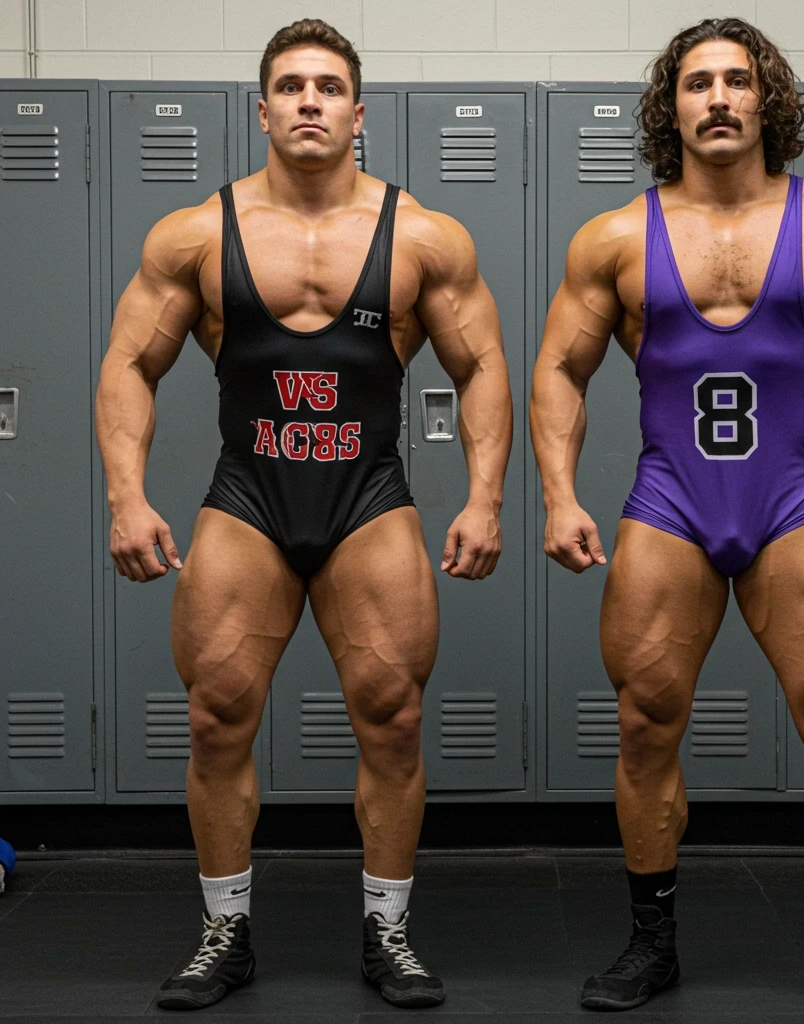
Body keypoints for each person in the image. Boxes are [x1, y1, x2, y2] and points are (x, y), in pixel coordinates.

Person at [530, 17, 804, 1022]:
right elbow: (557, 367)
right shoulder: (614, 237)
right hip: (668, 501)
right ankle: (650, 944)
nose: (717, 97)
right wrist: (558, 495)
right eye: (696, 82)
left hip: (791, 499)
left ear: (769, 101)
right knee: (643, 725)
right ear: (668, 106)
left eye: (736, 80)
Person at [95, 18, 512, 1011]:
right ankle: (224, 929)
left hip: (369, 494)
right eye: (291, 86)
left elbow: (484, 364)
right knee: (215, 716)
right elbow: (127, 364)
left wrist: (486, 498)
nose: (310, 101)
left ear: (359, 112)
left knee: (395, 717)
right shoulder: (196, 233)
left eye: (328, 86)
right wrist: (125, 496)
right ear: (263, 109)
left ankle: (388, 929)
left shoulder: (423, 235)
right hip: (249, 494)